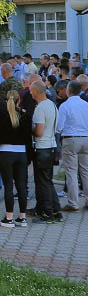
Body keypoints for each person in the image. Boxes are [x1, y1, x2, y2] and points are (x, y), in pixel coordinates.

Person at [0, 89, 32, 228]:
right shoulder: (25, 116)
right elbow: (29, 138)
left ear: (6, 100)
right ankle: (22, 217)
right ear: (18, 100)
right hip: (21, 153)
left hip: (5, 153)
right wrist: (29, 157)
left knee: (8, 186)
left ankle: (8, 218)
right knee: (21, 186)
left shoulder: (2, 116)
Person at [30, 81, 62, 223]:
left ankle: (47, 214)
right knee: (47, 180)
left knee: (43, 181)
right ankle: (55, 210)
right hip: (51, 146)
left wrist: (30, 129)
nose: (30, 93)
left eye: (31, 91)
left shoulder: (40, 108)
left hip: (42, 147)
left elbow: (39, 131)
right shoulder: (52, 105)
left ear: (36, 92)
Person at [56, 80, 88, 212]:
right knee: (86, 171)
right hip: (86, 138)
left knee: (71, 172)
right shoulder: (86, 104)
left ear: (68, 91)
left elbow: (59, 127)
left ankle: (73, 203)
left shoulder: (65, 105)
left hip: (71, 139)